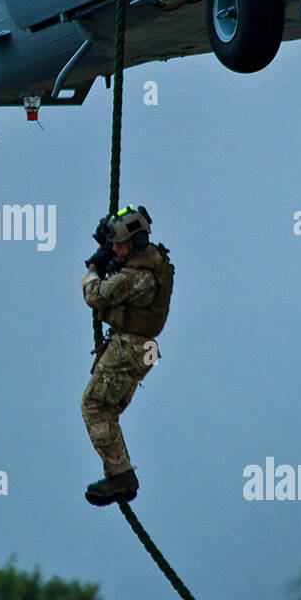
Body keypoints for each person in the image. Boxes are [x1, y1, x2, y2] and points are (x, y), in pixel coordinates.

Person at [81, 205, 174, 505]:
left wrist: (92, 272)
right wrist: (108, 249)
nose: (118, 250)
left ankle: (120, 475)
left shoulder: (137, 276)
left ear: (138, 242)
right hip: (141, 350)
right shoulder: (152, 260)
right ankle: (119, 473)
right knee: (106, 409)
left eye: (122, 245)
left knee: (95, 407)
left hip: (129, 349)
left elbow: (95, 296)